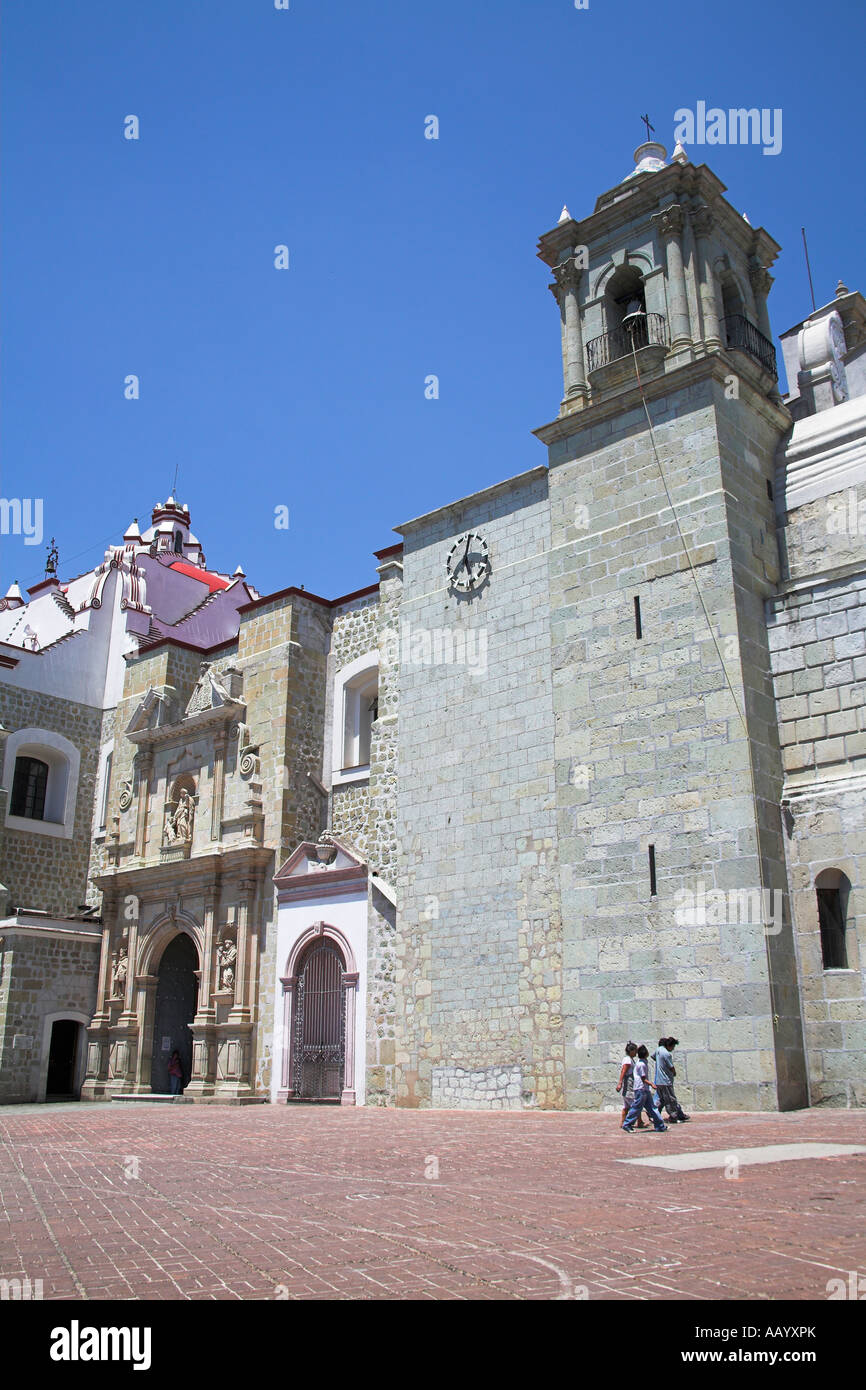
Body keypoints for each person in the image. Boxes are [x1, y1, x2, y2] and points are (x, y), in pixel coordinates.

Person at [622, 1044, 667, 1132]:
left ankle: (660, 1125)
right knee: (636, 1107)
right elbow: (643, 1078)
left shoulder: (643, 1062)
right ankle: (627, 1124)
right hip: (640, 1089)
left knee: (652, 1108)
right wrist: (651, 1084)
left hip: (644, 1089)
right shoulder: (641, 1064)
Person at [652, 1036, 690, 1123]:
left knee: (661, 1100)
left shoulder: (658, 1050)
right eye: (673, 1047)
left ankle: (654, 1115)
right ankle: (673, 1116)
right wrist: (674, 1073)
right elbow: (671, 1067)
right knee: (670, 1099)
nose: (673, 1049)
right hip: (666, 1080)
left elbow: (653, 1057)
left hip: (658, 1079)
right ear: (670, 1045)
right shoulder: (667, 1054)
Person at [615, 1041, 648, 1129]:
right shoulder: (628, 1060)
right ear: (631, 1051)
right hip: (629, 1084)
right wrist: (620, 1083)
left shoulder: (629, 1059)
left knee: (627, 1106)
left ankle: (623, 1122)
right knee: (636, 1104)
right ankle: (639, 1122)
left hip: (628, 1084)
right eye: (635, 1051)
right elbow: (624, 1071)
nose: (636, 1053)